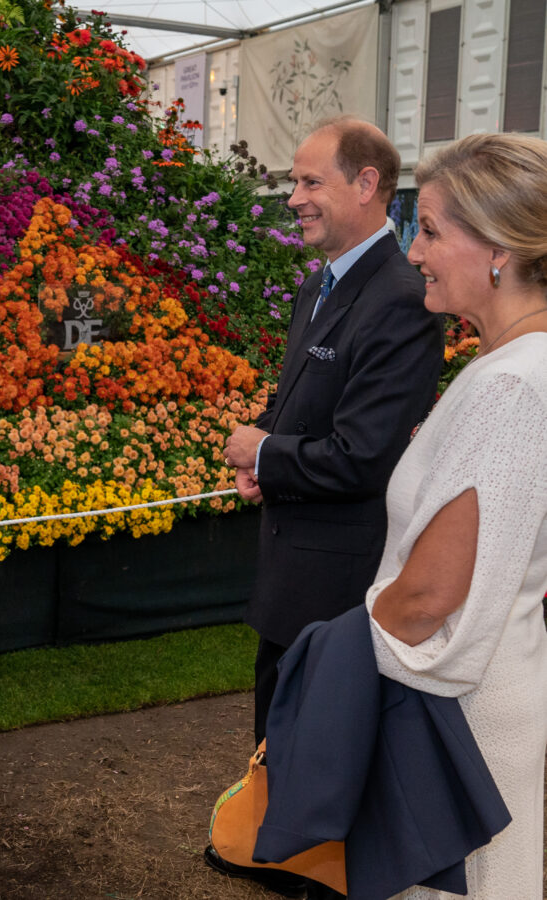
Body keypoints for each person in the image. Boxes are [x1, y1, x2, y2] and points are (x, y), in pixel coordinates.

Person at [210, 117, 443, 898]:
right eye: (295, 181)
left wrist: (265, 454)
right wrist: (271, 465)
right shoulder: (325, 280)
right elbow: (305, 410)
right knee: (283, 724)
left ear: (367, 184)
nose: (295, 197)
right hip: (295, 562)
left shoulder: (401, 300)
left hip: (341, 579)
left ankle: (320, 867)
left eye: (311, 182)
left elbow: (362, 453)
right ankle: (276, 847)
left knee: (327, 737)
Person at [365, 132, 547, 897]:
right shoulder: (508, 366)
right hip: (480, 693)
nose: (412, 252)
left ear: (500, 247)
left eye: (431, 230)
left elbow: (432, 595)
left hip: (456, 714)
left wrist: (335, 666)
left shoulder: (512, 384)